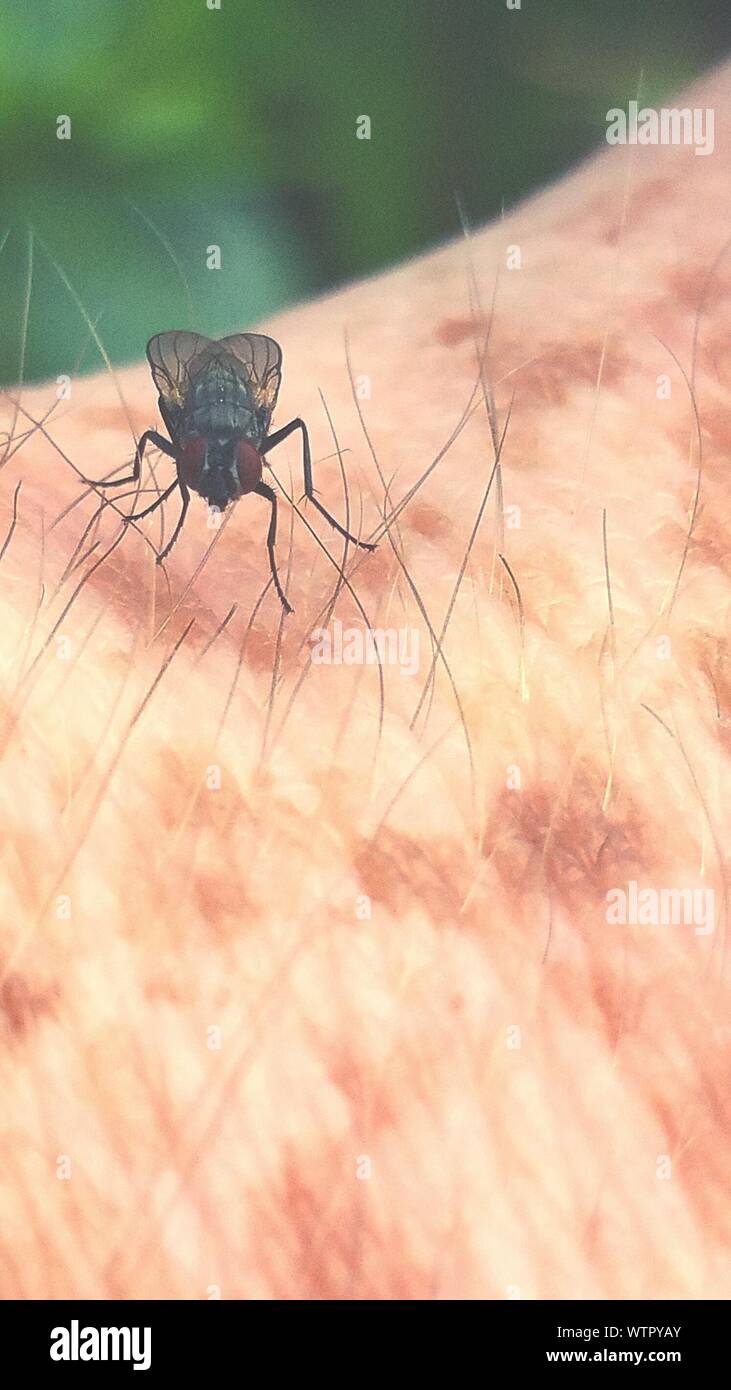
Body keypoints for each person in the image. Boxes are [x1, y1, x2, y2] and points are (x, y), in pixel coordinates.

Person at [0, 60, 728, 1300]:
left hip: (233, 391)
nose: (228, 486)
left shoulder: (252, 451)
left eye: (227, 472)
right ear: (193, 446)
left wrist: (298, 544)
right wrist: (149, 494)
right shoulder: (190, 438)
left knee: (278, 497)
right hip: (198, 400)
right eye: (211, 467)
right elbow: (189, 419)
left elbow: (252, 432)